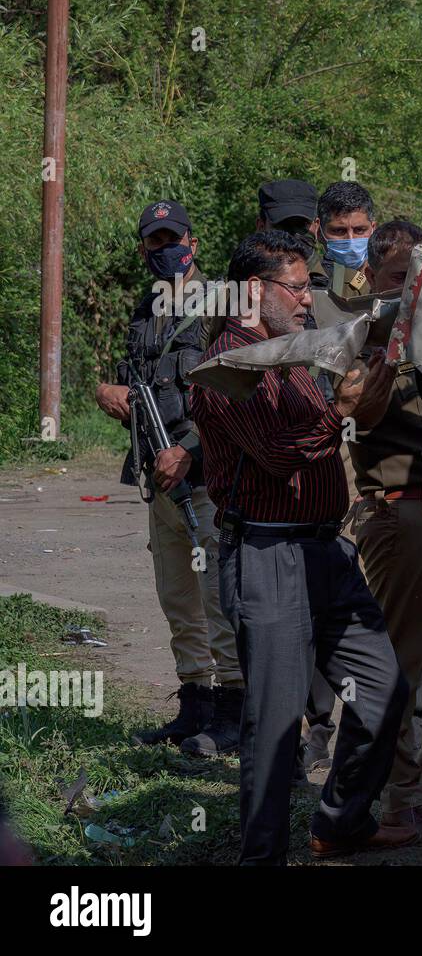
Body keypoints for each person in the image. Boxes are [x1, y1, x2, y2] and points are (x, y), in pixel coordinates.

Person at [190, 230, 415, 863]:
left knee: (382, 689)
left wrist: (385, 360)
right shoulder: (228, 366)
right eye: (295, 287)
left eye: (308, 285)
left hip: (325, 550)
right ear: (253, 290)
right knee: (277, 719)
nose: (307, 299)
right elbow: (278, 455)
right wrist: (336, 407)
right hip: (268, 555)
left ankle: (341, 823)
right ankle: (262, 857)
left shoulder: (291, 354)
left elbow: (354, 418)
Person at [94, 199, 243, 757]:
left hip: (205, 476)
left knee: (216, 600)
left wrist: (187, 449)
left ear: (193, 243)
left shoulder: (217, 308)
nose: (166, 250)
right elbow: (137, 381)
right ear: (145, 249)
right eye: (155, 243)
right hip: (157, 480)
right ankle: (195, 707)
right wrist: (107, 392)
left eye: (173, 239)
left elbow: (235, 392)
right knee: (178, 600)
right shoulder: (145, 308)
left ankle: (233, 714)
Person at [342, 221, 422, 837]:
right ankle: (396, 803)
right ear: (372, 276)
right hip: (402, 512)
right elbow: (358, 410)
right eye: (395, 275)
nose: (407, 285)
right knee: (400, 669)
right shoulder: (366, 339)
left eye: (417, 274)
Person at [256, 178, 339, 779]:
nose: (304, 298)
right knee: (278, 653)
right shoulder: (241, 333)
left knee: (341, 637)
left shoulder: (324, 299)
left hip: (329, 507)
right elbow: (277, 454)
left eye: (297, 227)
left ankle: (322, 729)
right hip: (269, 526)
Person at [316, 181, 374, 299]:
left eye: (359, 230)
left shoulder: (391, 277)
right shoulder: (307, 281)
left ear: (373, 229)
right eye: (339, 231)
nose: (350, 240)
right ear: (319, 232)